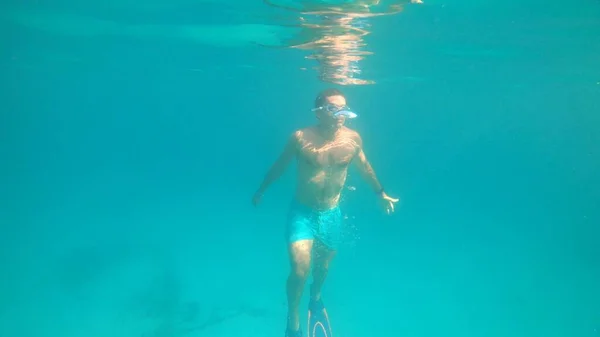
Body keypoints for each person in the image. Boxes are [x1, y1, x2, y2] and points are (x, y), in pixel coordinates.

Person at [252, 88, 399, 337]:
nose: (341, 114)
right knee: (300, 268)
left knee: (323, 266)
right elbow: (280, 165)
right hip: (302, 213)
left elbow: (365, 167)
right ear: (319, 112)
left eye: (344, 108)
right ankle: (293, 321)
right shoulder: (300, 138)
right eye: (334, 108)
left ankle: (316, 297)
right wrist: (262, 190)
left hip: (331, 213)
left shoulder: (353, 139)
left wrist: (380, 193)